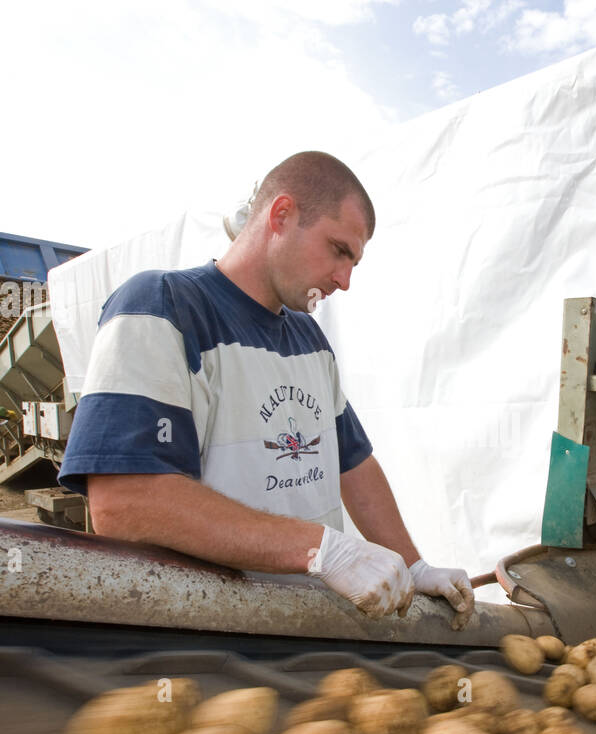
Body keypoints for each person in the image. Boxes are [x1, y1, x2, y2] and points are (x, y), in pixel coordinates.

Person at [58, 151, 474, 623]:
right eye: (339, 250)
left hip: (312, 630)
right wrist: (320, 549)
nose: (345, 279)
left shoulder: (308, 338)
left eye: (354, 262)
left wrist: (414, 565)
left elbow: (353, 463)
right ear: (281, 215)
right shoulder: (164, 306)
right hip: (212, 637)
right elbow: (125, 503)